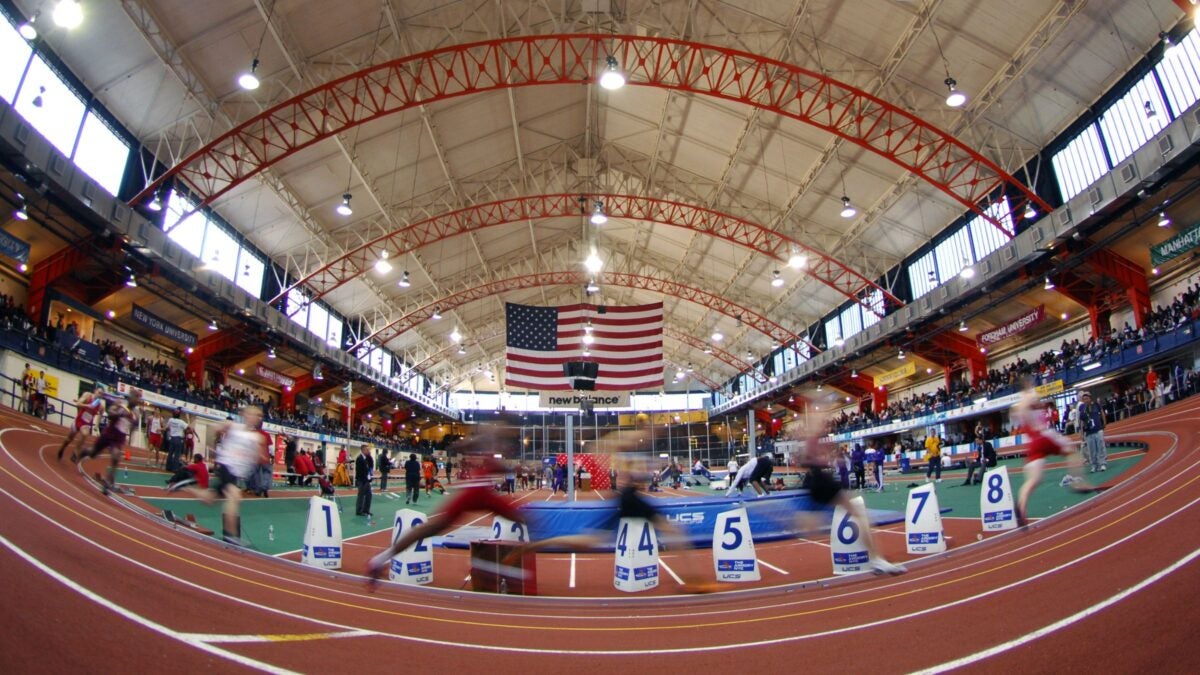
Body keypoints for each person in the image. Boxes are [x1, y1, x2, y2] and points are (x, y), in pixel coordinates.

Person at [366, 424, 526, 587]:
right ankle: (508, 564)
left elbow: (484, 458)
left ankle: (379, 559)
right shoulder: (487, 444)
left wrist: (462, 446)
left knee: (433, 528)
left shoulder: (487, 448)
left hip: (475, 489)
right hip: (479, 491)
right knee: (524, 519)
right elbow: (492, 461)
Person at [792, 421, 905, 575]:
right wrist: (824, 461)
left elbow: (806, 460)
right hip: (821, 481)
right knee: (857, 515)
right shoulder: (812, 439)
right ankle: (876, 559)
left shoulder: (812, 441)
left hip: (815, 482)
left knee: (810, 528)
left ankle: (876, 559)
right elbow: (807, 460)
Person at [172, 405, 268, 546]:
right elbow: (213, 428)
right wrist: (215, 444)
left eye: (259, 416)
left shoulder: (257, 436)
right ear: (246, 415)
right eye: (254, 414)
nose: (256, 418)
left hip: (236, 472)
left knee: (209, 499)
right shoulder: (234, 426)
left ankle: (187, 485)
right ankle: (231, 536)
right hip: (227, 466)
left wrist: (256, 456)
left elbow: (257, 456)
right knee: (234, 496)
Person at [1012, 379, 1098, 527]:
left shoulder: (1019, 404)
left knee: (1034, 479)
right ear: (1026, 386)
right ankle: (1079, 482)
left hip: (1033, 443)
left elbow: (1018, 413)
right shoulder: (1029, 397)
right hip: (1044, 436)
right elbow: (1026, 406)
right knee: (1072, 452)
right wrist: (1029, 400)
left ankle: (1021, 507)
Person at [75, 391, 141, 495]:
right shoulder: (121, 403)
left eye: (139, 398)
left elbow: (133, 426)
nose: (137, 400)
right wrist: (119, 413)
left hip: (119, 438)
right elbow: (110, 412)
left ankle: (107, 484)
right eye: (136, 397)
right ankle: (83, 453)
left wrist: (130, 440)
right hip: (109, 433)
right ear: (131, 397)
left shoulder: (136, 413)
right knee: (93, 453)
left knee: (115, 458)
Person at [56, 385, 105, 462]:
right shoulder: (88, 396)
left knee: (85, 434)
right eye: (99, 392)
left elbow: (101, 414)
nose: (100, 395)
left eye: (102, 394)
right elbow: (78, 403)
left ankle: (75, 453)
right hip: (78, 420)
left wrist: (96, 425)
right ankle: (62, 449)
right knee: (69, 439)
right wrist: (87, 406)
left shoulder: (101, 406)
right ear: (95, 391)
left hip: (86, 424)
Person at [1078, 391, 1108, 473]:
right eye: (1084, 399)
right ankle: (1094, 465)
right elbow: (1081, 421)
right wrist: (1081, 433)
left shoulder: (1096, 405)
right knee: (1091, 450)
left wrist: (1104, 422)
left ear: (1090, 398)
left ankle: (1103, 463)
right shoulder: (1082, 408)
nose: (1085, 400)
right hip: (1088, 432)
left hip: (1098, 429)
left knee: (1100, 447)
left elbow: (1102, 412)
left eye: (1087, 398)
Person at [354, 445, 374, 517]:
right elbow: (360, 471)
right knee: (361, 495)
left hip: (366, 480)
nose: (368, 451)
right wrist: (366, 478)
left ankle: (366, 510)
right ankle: (359, 511)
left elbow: (371, 465)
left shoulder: (367, 458)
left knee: (369, 495)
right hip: (362, 480)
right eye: (367, 450)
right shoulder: (359, 459)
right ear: (363, 450)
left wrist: (370, 456)